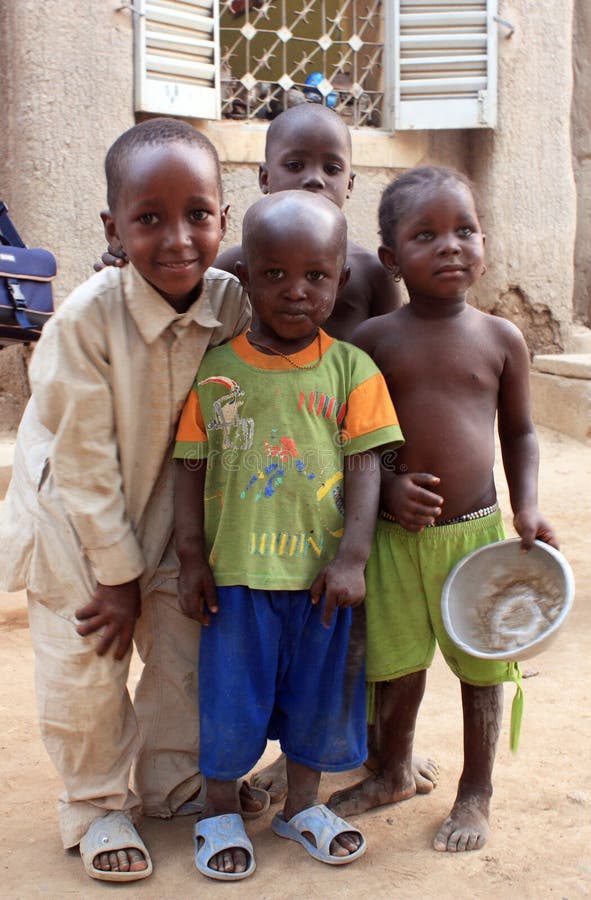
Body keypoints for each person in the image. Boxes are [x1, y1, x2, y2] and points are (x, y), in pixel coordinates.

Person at [0, 117, 268, 883]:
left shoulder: (231, 304)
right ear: (113, 228)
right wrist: (115, 576)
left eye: (198, 215)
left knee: (182, 659)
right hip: (75, 530)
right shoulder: (84, 322)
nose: (178, 238)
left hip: (172, 520)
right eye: (149, 219)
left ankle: (172, 784)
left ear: (224, 216)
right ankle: (94, 804)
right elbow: (81, 463)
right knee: (88, 666)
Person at [326, 166, 558, 853]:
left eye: (465, 229)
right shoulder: (372, 341)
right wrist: (390, 488)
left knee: (482, 668)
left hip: (477, 538)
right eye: (426, 235)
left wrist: (529, 509)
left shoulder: (500, 339)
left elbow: (517, 432)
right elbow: (350, 443)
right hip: (395, 539)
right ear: (392, 259)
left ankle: (475, 793)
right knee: (395, 665)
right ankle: (391, 770)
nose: (451, 245)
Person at [173, 190, 403, 880]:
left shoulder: (351, 370)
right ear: (246, 277)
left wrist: (353, 559)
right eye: (273, 274)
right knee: (229, 699)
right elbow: (189, 468)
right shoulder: (217, 373)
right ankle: (216, 810)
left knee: (316, 696)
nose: (296, 292)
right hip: (237, 579)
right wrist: (190, 557)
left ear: (341, 277)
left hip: (319, 584)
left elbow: (367, 466)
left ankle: (300, 804)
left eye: (316, 276)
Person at [214, 102, 402, 339]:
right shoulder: (232, 267)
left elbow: (388, 355)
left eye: (331, 169)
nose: (314, 179)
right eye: (295, 165)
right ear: (265, 177)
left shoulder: (372, 274)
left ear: (350, 184)